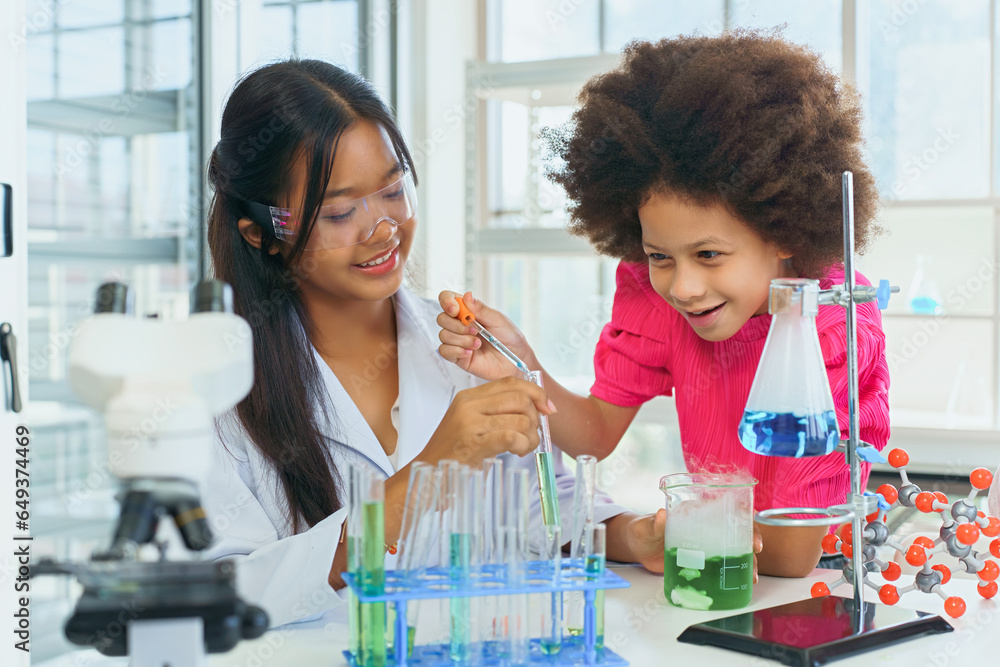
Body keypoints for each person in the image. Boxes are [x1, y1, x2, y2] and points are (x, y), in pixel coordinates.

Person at [200, 59, 663, 628]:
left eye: (393, 191)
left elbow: (541, 508)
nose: (382, 229)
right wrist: (423, 476)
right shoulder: (212, 386)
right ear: (261, 233)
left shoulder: (465, 347)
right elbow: (213, 595)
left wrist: (633, 535)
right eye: (341, 211)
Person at [437, 31, 889, 578]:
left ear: (783, 233)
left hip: (819, 580)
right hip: (723, 565)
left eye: (708, 253)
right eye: (660, 255)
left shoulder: (830, 322)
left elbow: (790, 554)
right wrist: (520, 361)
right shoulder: (656, 296)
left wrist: (681, 528)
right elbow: (595, 434)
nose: (683, 287)